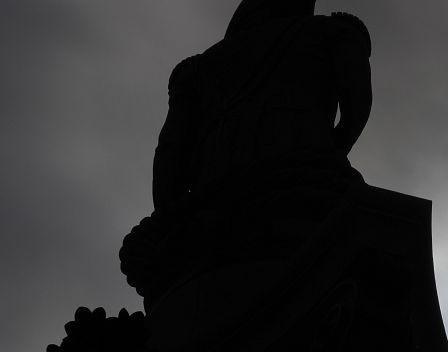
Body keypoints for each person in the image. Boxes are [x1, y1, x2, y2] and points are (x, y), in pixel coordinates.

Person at [124, 0, 372, 303]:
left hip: (211, 204)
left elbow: (170, 155)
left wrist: (170, 217)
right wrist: (330, 156)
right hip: (304, 186)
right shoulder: (331, 32)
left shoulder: (199, 68)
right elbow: (357, 104)